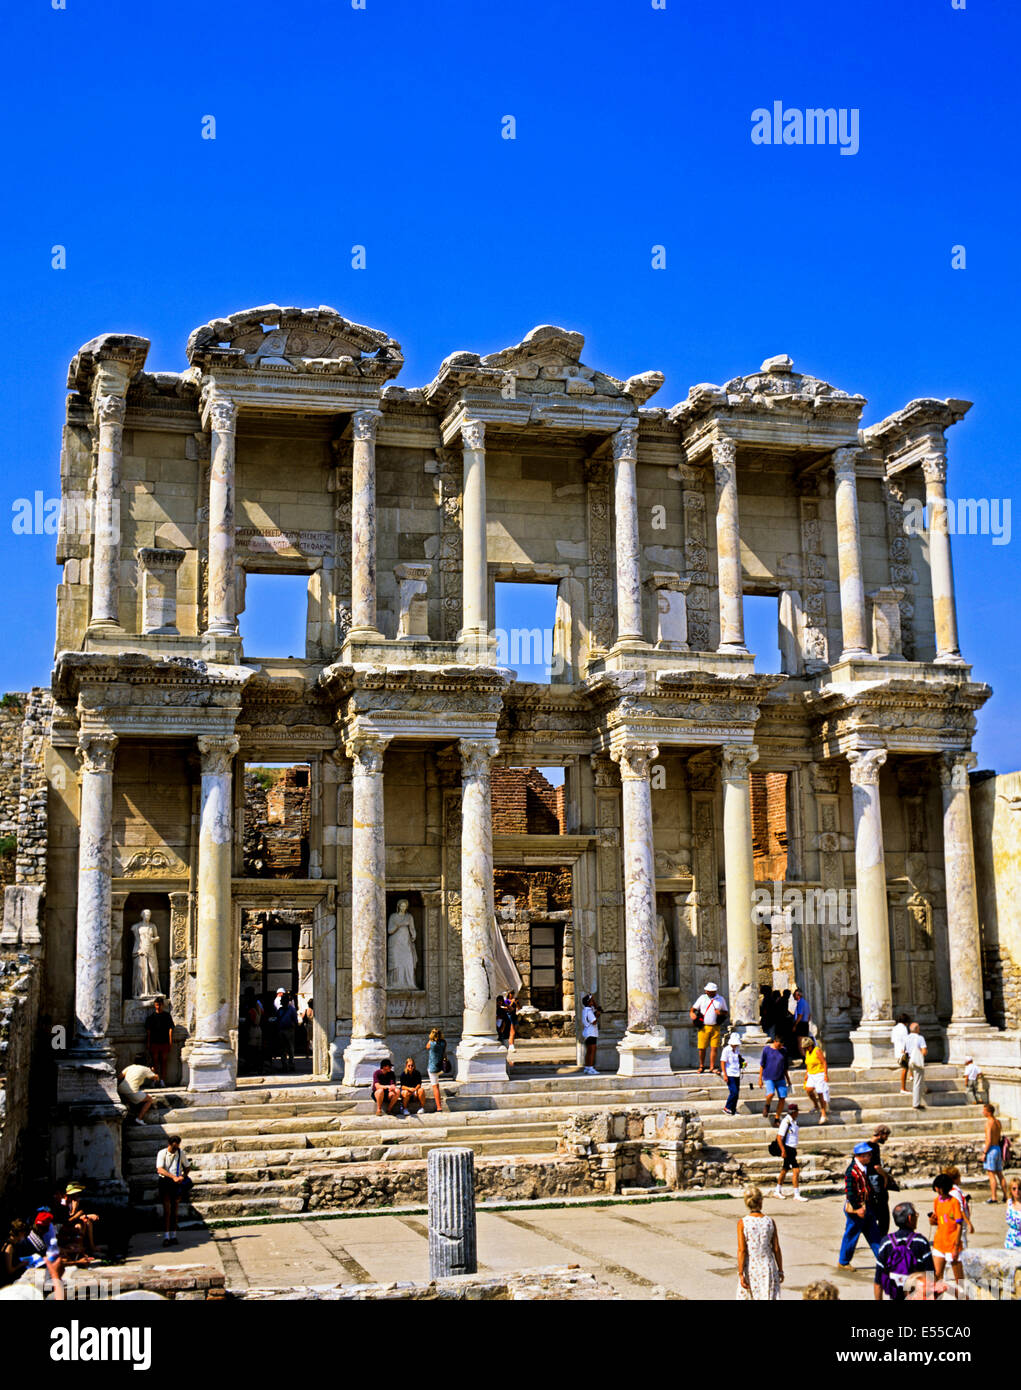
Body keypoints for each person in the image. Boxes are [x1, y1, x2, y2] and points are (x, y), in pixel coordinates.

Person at [873, 1202, 935, 1301]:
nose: (916, 1217)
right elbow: (930, 1276)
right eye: (916, 1215)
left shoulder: (886, 1242)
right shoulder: (921, 1242)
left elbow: (878, 1281)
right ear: (910, 1218)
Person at [838, 1141, 884, 1268]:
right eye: (868, 1155)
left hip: (867, 1207)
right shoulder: (851, 1171)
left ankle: (883, 1260)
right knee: (852, 1235)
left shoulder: (864, 1168)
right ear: (861, 1156)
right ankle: (843, 1262)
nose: (870, 1157)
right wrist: (858, 1208)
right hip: (857, 1208)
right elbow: (850, 1193)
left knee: (874, 1234)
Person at [736, 1185, 783, 1300]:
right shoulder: (769, 1221)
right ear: (761, 1201)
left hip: (751, 1268)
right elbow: (776, 1248)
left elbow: (742, 1250)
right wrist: (780, 1270)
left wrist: (741, 1273)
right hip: (768, 1267)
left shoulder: (743, 1223)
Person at [928, 1174, 964, 1287]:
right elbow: (937, 1221)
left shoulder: (954, 1202)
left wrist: (956, 1247)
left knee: (959, 1279)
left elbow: (959, 1225)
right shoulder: (936, 1201)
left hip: (952, 1244)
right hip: (939, 1243)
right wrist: (932, 1220)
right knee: (937, 1276)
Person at [156, 1135, 191, 1246]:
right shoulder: (162, 1153)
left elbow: (187, 1167)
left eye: (177, 1147)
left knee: (175, 1210)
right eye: (173, 1147)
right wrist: (173, 1177)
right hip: (165, 1182)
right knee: (167, 1211)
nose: (175, 1149)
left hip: (177, 1183)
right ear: (169, 1144)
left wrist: (183, 1176)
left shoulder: (180, 1153)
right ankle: (166, 1236)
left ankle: (174, 1235)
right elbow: (160, 1169)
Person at [690, 982, 728, 1074]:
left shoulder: (720, 999)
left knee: (714, 1047)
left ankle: (712, 1067)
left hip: (716, 1026)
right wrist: (692, 1014)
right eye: (709, 991)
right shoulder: (702, 998)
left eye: (712, 991)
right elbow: (693, 1009)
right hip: (704, 1026)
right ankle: (701, 1066)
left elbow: (725, 1012)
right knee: (702, 1048)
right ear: (706, 991)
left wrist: (720, 1013)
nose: (710, 993)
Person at [869, 1126, 898, 1236]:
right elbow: (876, 1167)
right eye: (886, 1136)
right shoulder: (874, 1147)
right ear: (880, 1134)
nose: (886, 1139)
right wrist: (886, 1176)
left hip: (870, 1182)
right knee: (883, 1213)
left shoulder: (866, 1145)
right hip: (876, 1182)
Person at [774, 1104, 807, 1201]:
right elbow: (779, 1137)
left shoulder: (793, 1122)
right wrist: (783, 1150)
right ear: (794, 1112)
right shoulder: (786, 1122)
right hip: (788, 1149)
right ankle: (796, 1194)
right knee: (796, 1171)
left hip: (792, 1149)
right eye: (797, 1111)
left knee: (784, 1170)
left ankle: (777, 1190)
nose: (798, 1113)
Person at [117, 1057, 161, 1124]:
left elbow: (120, 1076)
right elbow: (156, 1078)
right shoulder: (146, 1069)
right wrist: (153, 1071)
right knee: (149, 1099)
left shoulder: (130, 1067)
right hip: (132, 1092)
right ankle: (139, 1118)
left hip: (120, 1089)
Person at [941, 1166, 974, 1249]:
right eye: (959, 1176)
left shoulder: (951, 1190)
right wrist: (969, 1223)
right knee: (962, 1241)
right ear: (954, 1179)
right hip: (959, 1222)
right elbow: (960, 1209)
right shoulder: (955, 1192)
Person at [758, 1035, 790, 1124]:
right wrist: (760, 1078)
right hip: (768, 1076)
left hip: (780, 1077)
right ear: (775, 1042)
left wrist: (788, 1079)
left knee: (782, 1098)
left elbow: (785, 1067)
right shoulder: (766, 1050)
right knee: (771, 1093)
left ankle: (777, 1118)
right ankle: (767, 1105)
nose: (780, 1047)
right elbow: (762, 1064)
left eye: (781, 1045)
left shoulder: (784, 1050)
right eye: (778, 1045)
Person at [982, 1103, 1009, 1203]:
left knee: (991, 1174)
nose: (982, 1112)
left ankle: (994, 1197)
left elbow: (988, 1139)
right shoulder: (998, 1122)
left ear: (988, 1112)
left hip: (991, 1149)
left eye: (984, 1110)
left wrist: (984, 1153)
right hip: (998, 1148)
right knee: (1000, 1174)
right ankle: (1006, 1196)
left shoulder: (989, 1122)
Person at [144, 996, 174, 1082]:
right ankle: (155, 1080)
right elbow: (148, 1032)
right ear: (154, 1005)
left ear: (163, 1005)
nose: (158, 1007)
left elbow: (170, 1030)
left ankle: (162, 1080)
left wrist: (170, 1041)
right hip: (154, 1041)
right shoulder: (151, 1017)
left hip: (164, 1041)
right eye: (157, 1005)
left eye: (160, 1005)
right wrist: (148, 1043)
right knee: (155, 1062)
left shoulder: (167, 1016)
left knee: (164, 1062)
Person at [803, 1037, 830, 1123]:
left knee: (820, 1093)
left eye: (807, 1047)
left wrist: (826, 1075)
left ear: (811, 1045)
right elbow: (808, 1064)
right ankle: (816, 1105)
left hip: (819, 1074)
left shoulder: (817, 1050)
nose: (806, 1049)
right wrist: (806, 1073)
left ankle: (823, 1114)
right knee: (808, 1090)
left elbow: (824, 1062)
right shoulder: (807, 1052)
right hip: (811, 1074)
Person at [720, 1032, 744, 1116]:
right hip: (729, 1073)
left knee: (736, 1093)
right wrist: (724, 1074)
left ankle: (733, 1110)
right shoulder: (726, 1050)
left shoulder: (737, 1050)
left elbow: (739, 1059)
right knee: (734, 1092)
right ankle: (727, 1107)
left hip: (736, 1073)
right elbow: (723, 1062)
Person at [905, 1021, 927, 1109]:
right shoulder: (920, 1038)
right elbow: (924, 1051)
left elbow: (904, 1050)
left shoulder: (906, 1038)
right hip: (917, 1060)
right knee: (917, 1082)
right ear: (917, 1029)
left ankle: (925, 1089)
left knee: (918, 1079)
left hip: (910, 1060)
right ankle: (916, 1103)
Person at [426, 1027, 447, 1113]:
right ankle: (439, 1105)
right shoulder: (443, 1043)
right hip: (441, 1067)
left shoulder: (431, 1043)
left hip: (433, 1068)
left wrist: (431, 1039)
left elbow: (426, 1047)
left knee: (435, 1087)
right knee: (437, 1086)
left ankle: (439, 1107)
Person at [276, 992, 297, 1071]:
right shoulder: (280, 1010)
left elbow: (295, 1020)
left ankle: (291, 1064)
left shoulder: (291, 1009)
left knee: (290, 1048)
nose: (281, 1002)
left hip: (289, 1030)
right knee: (283, 1048)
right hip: (282, 1030)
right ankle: (284, 1065)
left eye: (282, 1000)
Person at [890, 1013, 911, 1093]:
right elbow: (906, 1041)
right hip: (903, 1051)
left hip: (897, 1050)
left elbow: (893, 1040)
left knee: (906, 1068)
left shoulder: (894, 1028)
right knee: (905, 1069)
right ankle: (903, 1088)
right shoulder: (904, 1028)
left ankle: (911, 1077)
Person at [581, 994, 601, 1075]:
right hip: (591, 1033)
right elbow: (594, 1021)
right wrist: (598, 1015)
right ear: (589, 1002)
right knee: (592, 1051)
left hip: (588, 1033)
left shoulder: (586, 1010)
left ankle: (587, 1067)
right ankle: (591, 1068)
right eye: (592, 1000)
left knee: (589, 1051)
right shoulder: (589, 1011)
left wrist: (593, 1002)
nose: (593, 1001)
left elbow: (596, 1007)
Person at [1005, 1176, 1021, 1251]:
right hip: (1011, 1238)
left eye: (1019, 1188)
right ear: (1010, 1190)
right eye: (1014, 1189)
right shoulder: (1009, 1202)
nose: (1017, 1191)